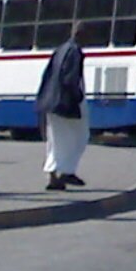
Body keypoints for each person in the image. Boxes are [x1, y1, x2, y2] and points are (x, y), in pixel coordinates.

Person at [35, 21, 87, 191]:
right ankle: (66, 172)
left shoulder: (61, 49)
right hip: (64, 102)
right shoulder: (75, 51)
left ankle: (54, 176)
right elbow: (71, 79)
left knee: (55, 139)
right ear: (81, 34)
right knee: (79, 136)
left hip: (51, 101)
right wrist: (78, 98)